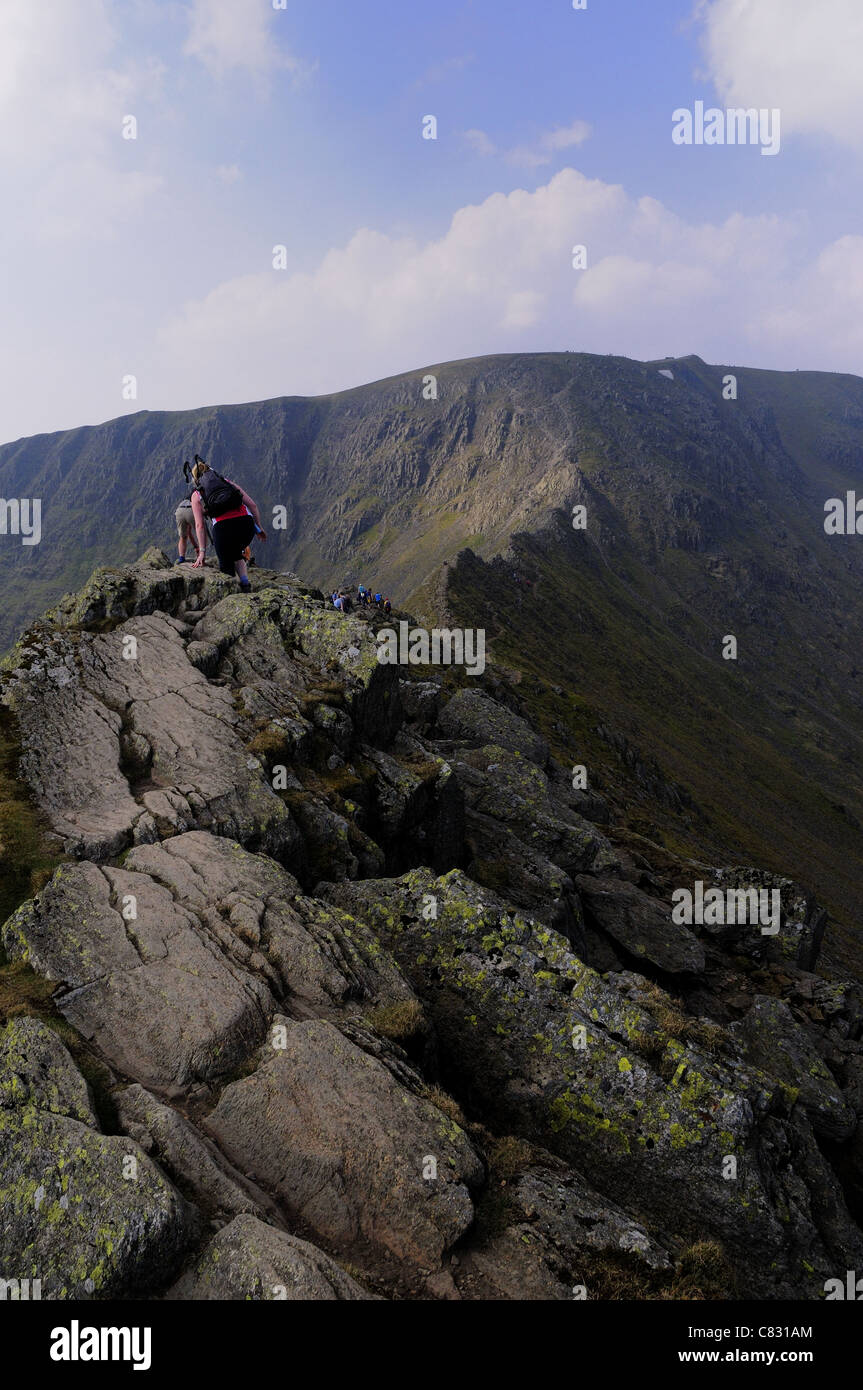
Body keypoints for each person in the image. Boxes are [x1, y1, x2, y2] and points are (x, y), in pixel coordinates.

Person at [190, 458, 266, 591]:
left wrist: (202, 552)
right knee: (236, 552)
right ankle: (245, 584)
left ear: (195, 479)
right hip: (246, 527)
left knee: (226, 564)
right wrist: (258, 528)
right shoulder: (226, 483)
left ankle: (231, 596)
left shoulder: (197, 494)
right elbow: (252, 505)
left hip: (223, 529)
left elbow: (199, 526)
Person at [174, 496, 199, 564]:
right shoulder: (200, 493)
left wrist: (195, 547)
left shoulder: (188, 496)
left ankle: (181, 558)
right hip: (191, 509)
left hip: (179, 510)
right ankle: (201, 558)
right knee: (201, 532)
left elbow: (189, 532)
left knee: (183, 536)